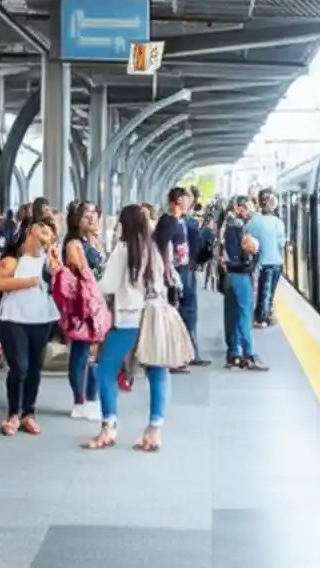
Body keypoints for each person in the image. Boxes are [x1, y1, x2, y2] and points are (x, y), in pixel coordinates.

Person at [83, 204, 170, 451]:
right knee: (157, 372)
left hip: (129, 320)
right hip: (154, 319)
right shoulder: (152, 249)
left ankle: (108, 426)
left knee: (105, 370)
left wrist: (93, 283)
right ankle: (154, 430)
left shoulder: (123, 249)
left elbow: (109, 285)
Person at [0, 217, 61, 436]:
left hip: (41, 319)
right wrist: (28, 282)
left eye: (49, 232)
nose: (45, 234)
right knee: (19, 367)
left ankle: (28, 412)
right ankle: (13, 412)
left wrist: (52, 256)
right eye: (42, 229)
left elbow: (57, 278)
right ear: (30, 231)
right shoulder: (13, 260)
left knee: (34, 369)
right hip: (14, 319)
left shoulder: (49, 260)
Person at [153, 187, 210, 371]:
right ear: (175, 202)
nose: (188, 204)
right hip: (175, 273)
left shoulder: (184, 222)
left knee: (190, 312)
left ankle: (191, 352)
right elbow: (162, 249)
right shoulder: (166, 223)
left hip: (188, 270)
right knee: (176, 314)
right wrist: (167, 273)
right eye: (184, 201)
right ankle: (176, 357)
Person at [63, 201, 103, 420]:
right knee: (80, 351)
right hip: (83, 302)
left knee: (96, 352)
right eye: (86, 215)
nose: (91, 218)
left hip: (98, 302)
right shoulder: (74, 244)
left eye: (94, 213)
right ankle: (79, 399)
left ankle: (92, 397)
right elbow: (82, 273)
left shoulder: (94, 242)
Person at [222, 196, 268, 371]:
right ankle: (249, 355)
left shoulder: (225, 224)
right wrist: (254, 250)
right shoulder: (238, 226)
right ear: (238, 208)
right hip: (240, 275)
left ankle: (233, 353)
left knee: (231, 315)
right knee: (244, 315)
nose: (250, 211)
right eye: (247, 208)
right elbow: (246, 252)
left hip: (228, 275)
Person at [247, 192, 287, 328]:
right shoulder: (278, 222)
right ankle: (264, 316)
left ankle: (261, 316)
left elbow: (248, 240)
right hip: (276, 262)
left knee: (263, 290)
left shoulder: (254, 222)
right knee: (270, 292)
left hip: (261, 262)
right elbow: (282, 243)